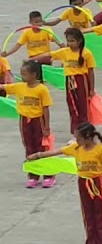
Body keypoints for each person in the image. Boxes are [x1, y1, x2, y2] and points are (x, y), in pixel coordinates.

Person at [27, 122, 102, 244]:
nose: (76, 140)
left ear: (88, 138)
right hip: (83, 182)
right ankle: (90, 240)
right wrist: (38, 155)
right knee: (87, 213)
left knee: (99, 213)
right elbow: (57, 152)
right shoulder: (76, 148)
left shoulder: (101, 150)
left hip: (97, 183)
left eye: (79, 138)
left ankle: (101, 240)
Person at [1, 60, 55, 188]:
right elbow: (3, 87)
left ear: (34, 74)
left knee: (42, 147)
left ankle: (48, 175)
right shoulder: (19, 87)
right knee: (29, 146)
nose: (22, 76)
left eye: (25, 74)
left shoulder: (42, 89)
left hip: (38, 120)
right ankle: (33, 175)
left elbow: (46, 109)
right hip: (25, 121)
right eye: (21, 73)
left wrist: (46, 127)